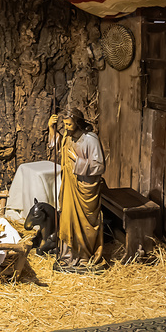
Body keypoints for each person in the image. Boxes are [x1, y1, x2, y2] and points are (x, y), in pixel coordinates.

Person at [48, 108, 105, 267]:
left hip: (84, 187)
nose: (66, 128)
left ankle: (84, 255)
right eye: (64, 124)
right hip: (69, 185)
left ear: (78, 123)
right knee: (68, 218)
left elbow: (99, 166)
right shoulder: (68, 135)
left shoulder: (90, 139)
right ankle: (68, 254)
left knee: (85, 222)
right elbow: (56, 146)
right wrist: (52, 128)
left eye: (69, 125)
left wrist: (78, 161)